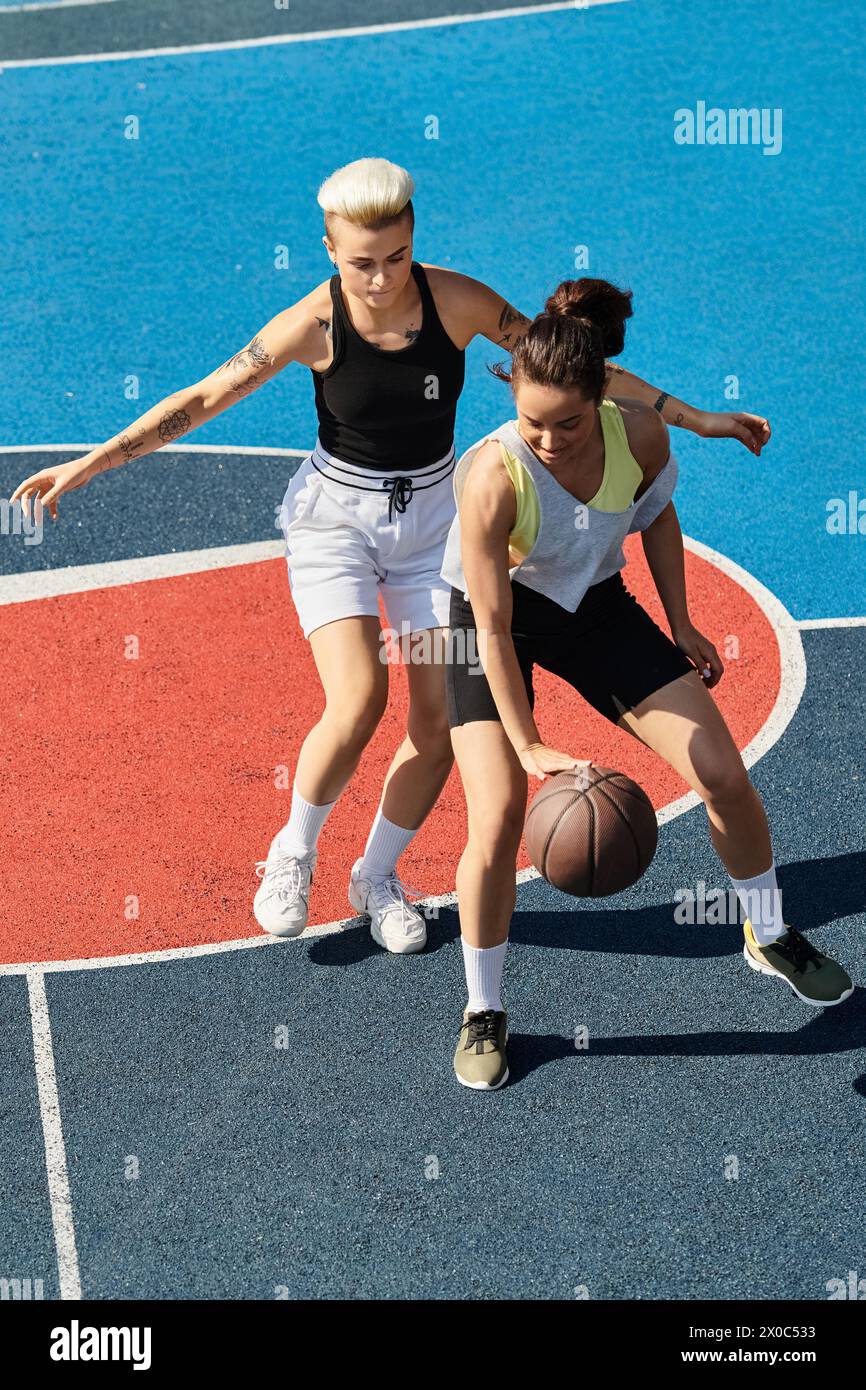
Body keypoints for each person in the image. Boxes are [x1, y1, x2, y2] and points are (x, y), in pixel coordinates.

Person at [10, 159, 772, 957]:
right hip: (336, 520)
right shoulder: (311, 323)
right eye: (360, 262)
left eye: (396, 258)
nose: (380, 278)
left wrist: (695, 418)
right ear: (330, 252)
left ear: (413, 240)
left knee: (437, 721)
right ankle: (292, 853)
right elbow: (202, 401)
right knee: (358, 697)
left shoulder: (459, 300)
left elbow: (571, 365)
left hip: (433, 526)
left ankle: (376, 876)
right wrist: (90, 463)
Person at [440, 276, 852, 1091]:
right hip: (488, 625)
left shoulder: (642, 438)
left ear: (603, 396)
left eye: (567, 422)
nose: (550, 441)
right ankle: (483, 1010)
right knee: (495, 819)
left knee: (725, 777)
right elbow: (489, 625)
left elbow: (654, 513)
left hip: (594, 609)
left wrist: (683, 623)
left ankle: (767, 933)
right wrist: (526, 743)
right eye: (531, 423)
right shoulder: (491, 478)